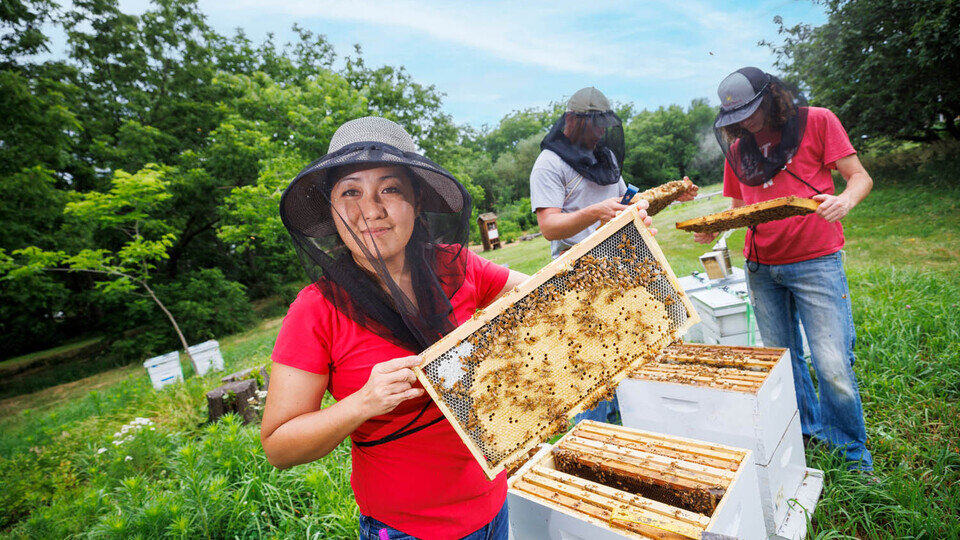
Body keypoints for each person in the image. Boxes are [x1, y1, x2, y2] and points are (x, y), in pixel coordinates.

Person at [261, 116, 528, 540]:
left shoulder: (455, 265)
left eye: (390, 188)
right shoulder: (314, 311)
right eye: (351, 191)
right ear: (332, 210)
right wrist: (362, 403)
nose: (371, 209)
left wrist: (617, 244)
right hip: (407, 530)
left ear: (417, 201)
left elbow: (549, 296)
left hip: (494, 502)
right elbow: (278, 445)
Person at [698, 67, 874, 471]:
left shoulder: (818, 121)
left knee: (832, 364)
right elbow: (740, 208)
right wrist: (715, 229)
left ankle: (851, 453)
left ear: (772, 95)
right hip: (761, 268)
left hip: (816, 261)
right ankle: (810, 431)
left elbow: (859, 177)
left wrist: (844, 201)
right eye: (737, 116)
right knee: (783, 358)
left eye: (752, 109)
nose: (747, 120)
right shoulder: (739, 148)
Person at [529, 87, 693, 424]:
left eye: (605, 125)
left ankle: (629, 423)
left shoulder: (606, 158)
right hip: (577, 272)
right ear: (573, 121)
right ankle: (592, 436)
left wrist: (671, 193)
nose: (602, 132)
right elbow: (548, 225)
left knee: (629, 347)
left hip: (620, 264)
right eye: (595, 125)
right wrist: (593, 212)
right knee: (589, 365)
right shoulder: (548, 163)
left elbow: (625, 203)